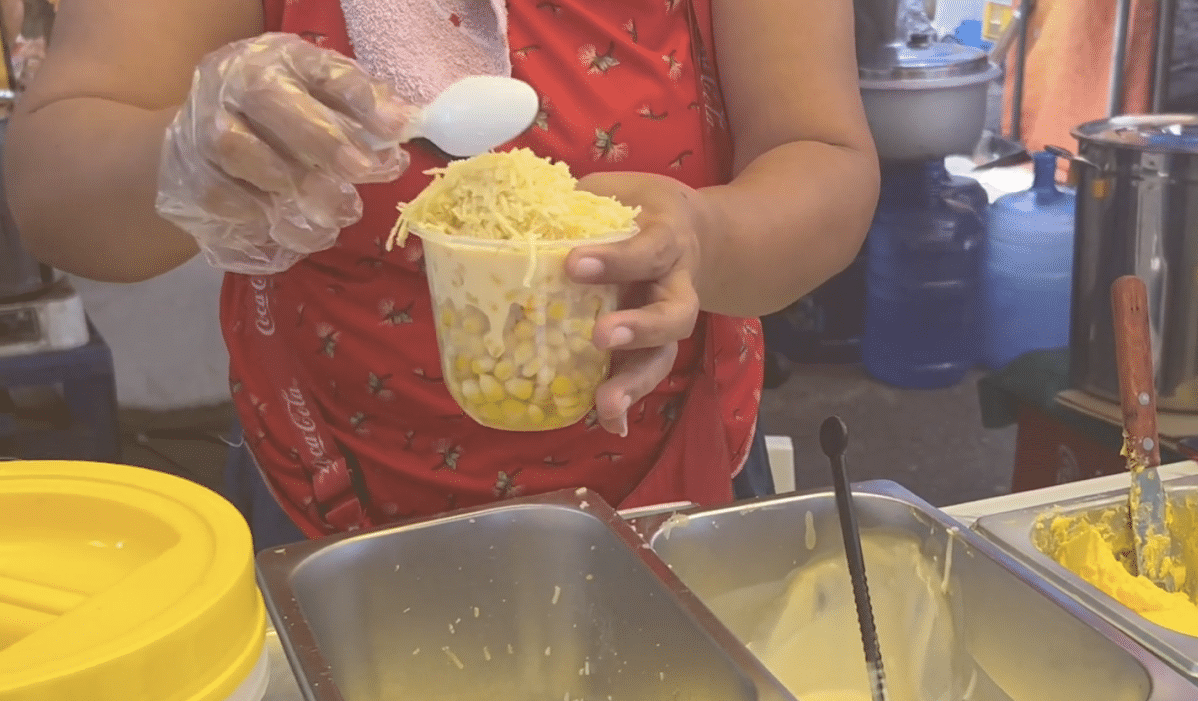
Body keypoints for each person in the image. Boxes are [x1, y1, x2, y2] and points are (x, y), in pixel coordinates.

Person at [5, 0, 878, 549]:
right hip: (329, 497)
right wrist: (190, 154)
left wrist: (708, 235)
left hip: (675, 489)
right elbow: (54, 180)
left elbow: (823, 155)